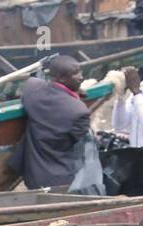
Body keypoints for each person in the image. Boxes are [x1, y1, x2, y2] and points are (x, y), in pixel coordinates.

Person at [9, 54, 90, 189]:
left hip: (34, 177)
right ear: (62, 78)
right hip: (63, 180)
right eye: (76, 74)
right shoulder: (79, 110)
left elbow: (35, 81)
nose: (81, 77)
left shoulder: (31, 90)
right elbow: (85, 146)